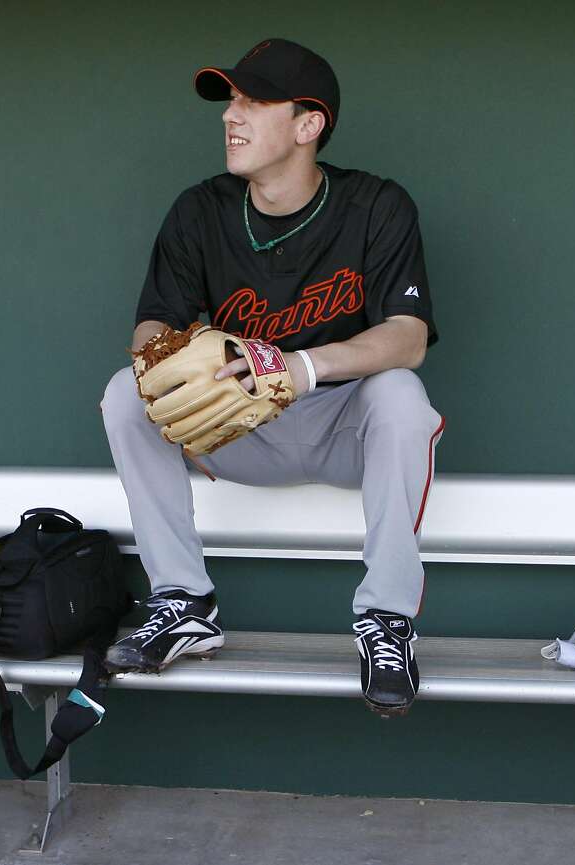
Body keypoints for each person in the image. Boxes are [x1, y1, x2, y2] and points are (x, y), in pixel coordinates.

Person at [100, 38, 444, 716]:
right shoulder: (200, 212)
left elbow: (408, 339)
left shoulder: (375, 206)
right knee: (125, 393)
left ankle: (386, 621)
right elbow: (149, 329)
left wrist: (299, 366)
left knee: (403, 396)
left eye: (254, 101)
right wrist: (189, 358)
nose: (232, 115)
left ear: (308, 124)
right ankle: (184, 601)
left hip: (342, 427)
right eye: (231, 100)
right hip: (234, 427)